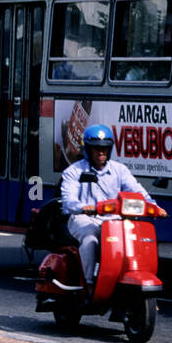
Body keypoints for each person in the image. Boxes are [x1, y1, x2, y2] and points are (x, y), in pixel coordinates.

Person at [59, 124, 153, 294]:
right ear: (87, 149)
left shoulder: (120, 170)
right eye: (96, 148)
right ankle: (87, 284)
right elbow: (69, 201)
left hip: (113, 220)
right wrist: (84, 207)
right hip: (84, 219)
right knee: (90, 241)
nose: (101, 152)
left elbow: (137, 190)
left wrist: (154, 206)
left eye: (104, 148)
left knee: (135, 241)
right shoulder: (74, 172)